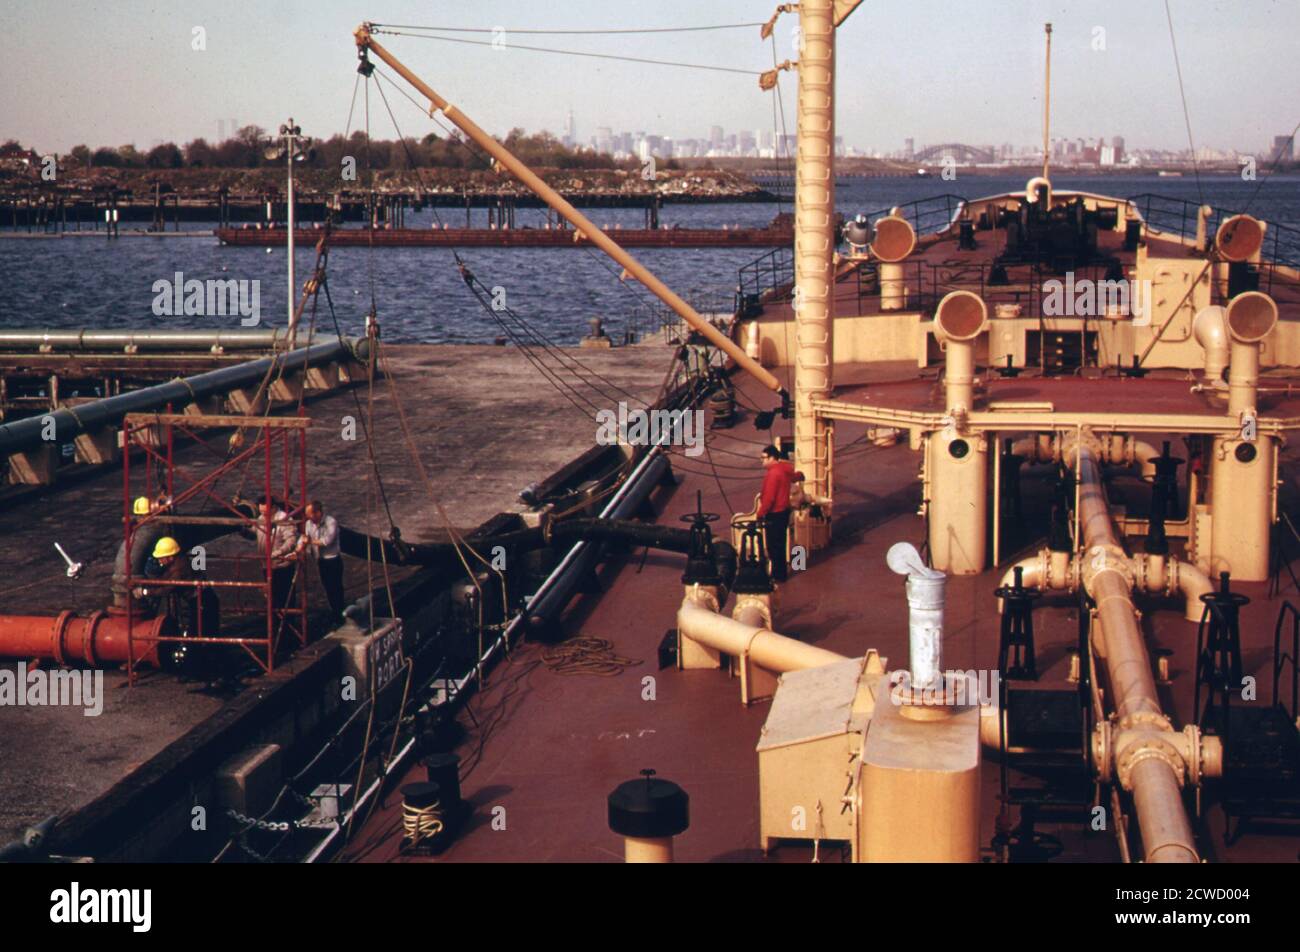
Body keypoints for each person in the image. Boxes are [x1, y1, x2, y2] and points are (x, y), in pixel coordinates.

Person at [756, 445, 803, 583]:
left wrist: (760, 514)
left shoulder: (773, 474)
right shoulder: (783, 468)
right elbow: (794, 476)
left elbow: (769, 498)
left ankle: (778, 576)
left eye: (763, 458)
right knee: (780, 544)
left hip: (774, 513)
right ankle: (780, 573)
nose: (761, 461)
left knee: (773, 546)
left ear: (772, 458)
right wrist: (800, 476)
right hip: (783, 512)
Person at [254, 496, 300, 632]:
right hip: (266, 565)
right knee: (271, 597)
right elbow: (254, 534)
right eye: (261, 512)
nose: (263, 515)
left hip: (282, 566)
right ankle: (275, 625)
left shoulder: (284, 519)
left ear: (273, 507)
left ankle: (288, 627)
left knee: (284, 598)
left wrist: (278, 552)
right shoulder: (261, 519)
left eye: (266, 512)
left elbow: (291, 540)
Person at [300, 500, 345, 620]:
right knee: (327, 587)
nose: (308, 517)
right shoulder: (309, 524)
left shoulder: (331, 522)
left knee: (336, 587)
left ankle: (340, 613)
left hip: (333, 560)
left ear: (318, 513)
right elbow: (305, 537)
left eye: (310, 514)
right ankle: (335, 611)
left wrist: (309, 542)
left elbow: (326, 541)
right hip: (321, 560)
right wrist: (299, 548)